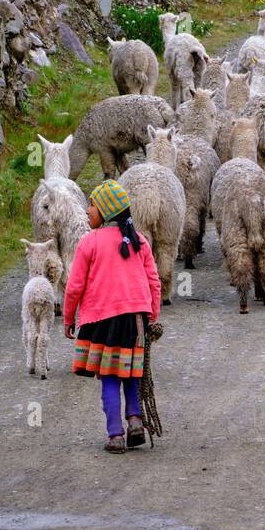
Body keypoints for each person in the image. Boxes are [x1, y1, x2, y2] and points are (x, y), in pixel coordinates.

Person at [64, 180, 161, 453]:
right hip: (135, 319)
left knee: (109, 376)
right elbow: (154, 281)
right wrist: (152, 315)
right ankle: (135, 423)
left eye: (92, 205)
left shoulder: (90, 242)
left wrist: (68, 318)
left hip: (102, 320)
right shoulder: (139, 240)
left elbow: (74, 286)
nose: (87, 210)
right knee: (131, 373)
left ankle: (115, 435)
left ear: (105, 210)